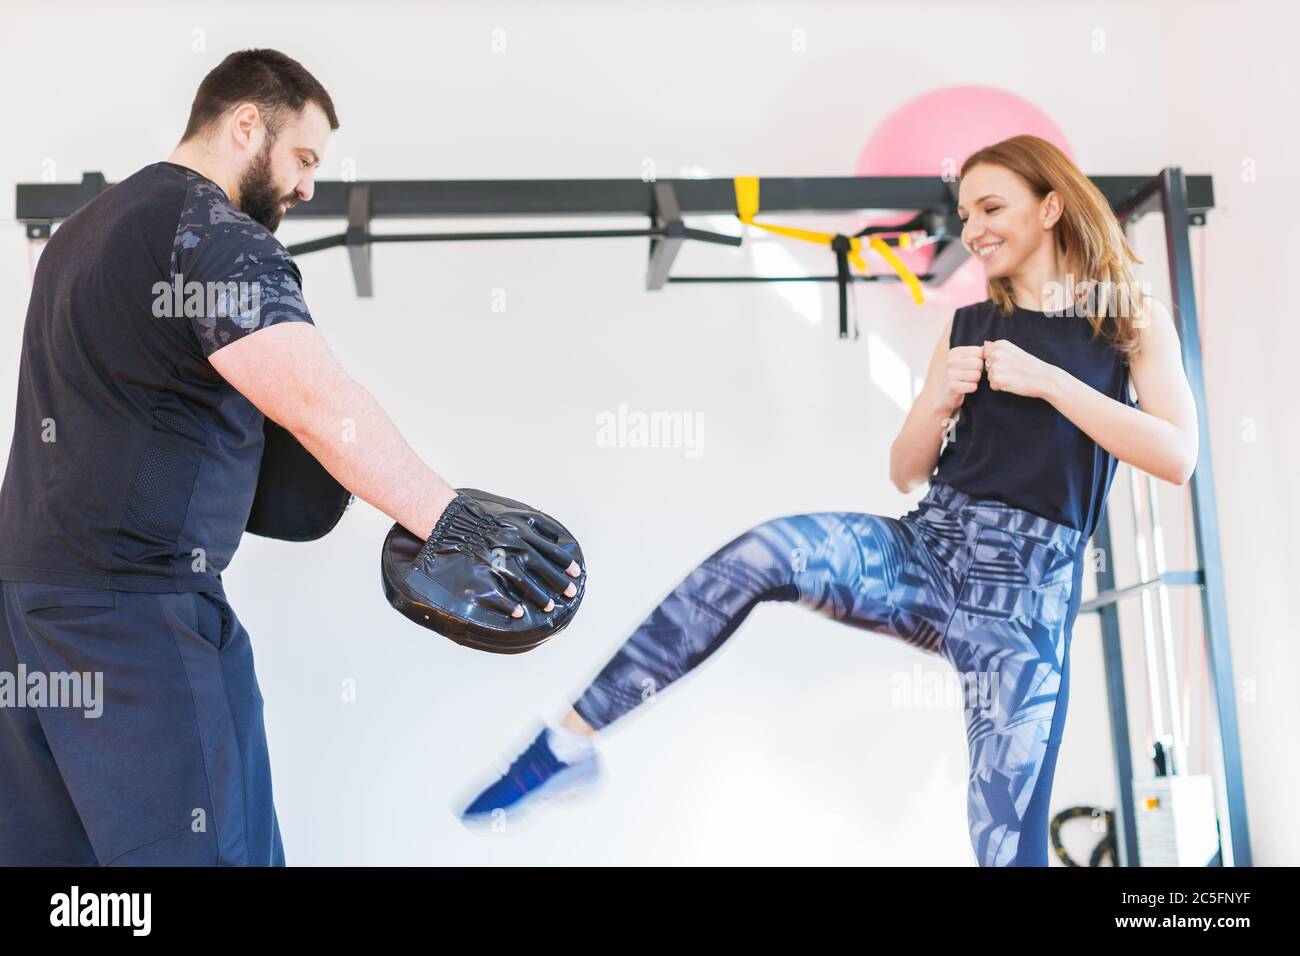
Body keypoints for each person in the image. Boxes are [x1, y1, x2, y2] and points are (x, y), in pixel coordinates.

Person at [458, 134, 1200, 866]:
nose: (972, 229)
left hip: (1025, 604)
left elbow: (1177, 455)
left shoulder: (1129, 319)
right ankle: (565, 744)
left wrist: (1049, 382)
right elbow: (905, 471)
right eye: (965, 212)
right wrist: (939, 400)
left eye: (991, 207)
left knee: (1005, 846)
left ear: (1051, 206)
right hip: (930, 552)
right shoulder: (969, 325)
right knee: (763, 553)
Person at [0, 48, 579, 866]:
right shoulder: (213, 236)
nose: (309, 187)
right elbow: (314, 401)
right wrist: (450, 525)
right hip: (138, 621)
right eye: (303, 158)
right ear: (246, 125)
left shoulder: (80, 234)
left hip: (27, 616)